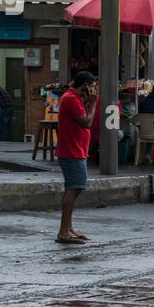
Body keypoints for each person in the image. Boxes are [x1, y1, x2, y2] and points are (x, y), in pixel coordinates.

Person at [55, 71, 98, 245]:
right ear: (85, 86)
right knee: (75, 189)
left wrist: (87, 102)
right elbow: (86, 122)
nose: (95, 90)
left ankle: (69, 228)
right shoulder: (71, 99)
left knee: (72, 189)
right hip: (72, 151)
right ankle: (63, 231)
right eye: (93, 86)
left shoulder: (73, 98)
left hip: (76, 150)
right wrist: (93, 104)